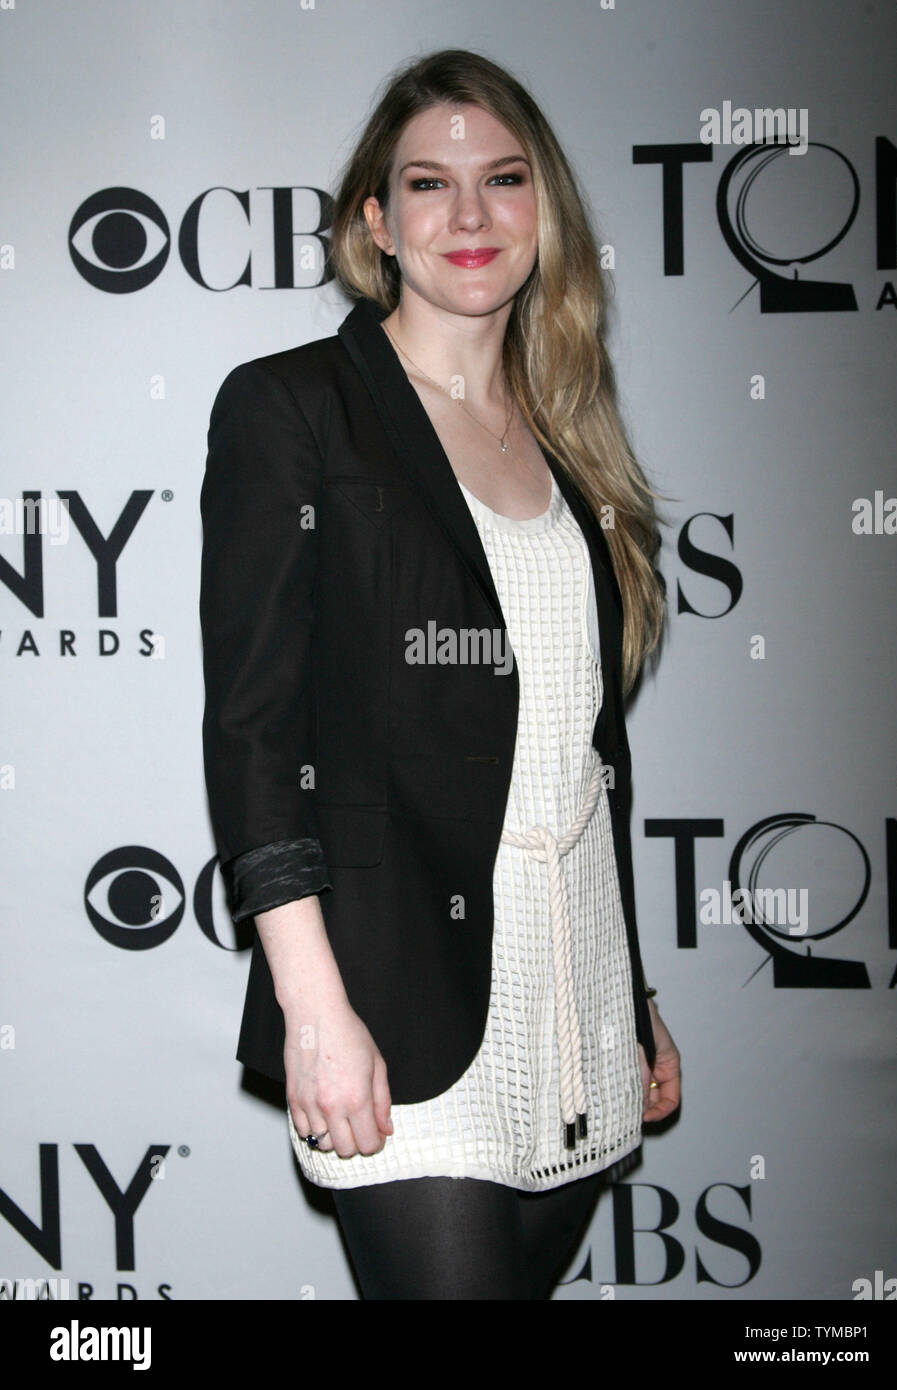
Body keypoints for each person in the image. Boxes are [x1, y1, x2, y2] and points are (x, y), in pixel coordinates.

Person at [199, 47, 680, 1300]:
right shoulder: (293, 409)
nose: (469, 216)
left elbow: (577, 748)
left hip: (569, 990)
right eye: (428, 184)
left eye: (503, 179)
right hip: (391, 994)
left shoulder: (572, 439)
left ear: (546, 211)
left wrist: (629, 997)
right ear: (378, 221)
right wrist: (315, 1008)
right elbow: (254, 733)